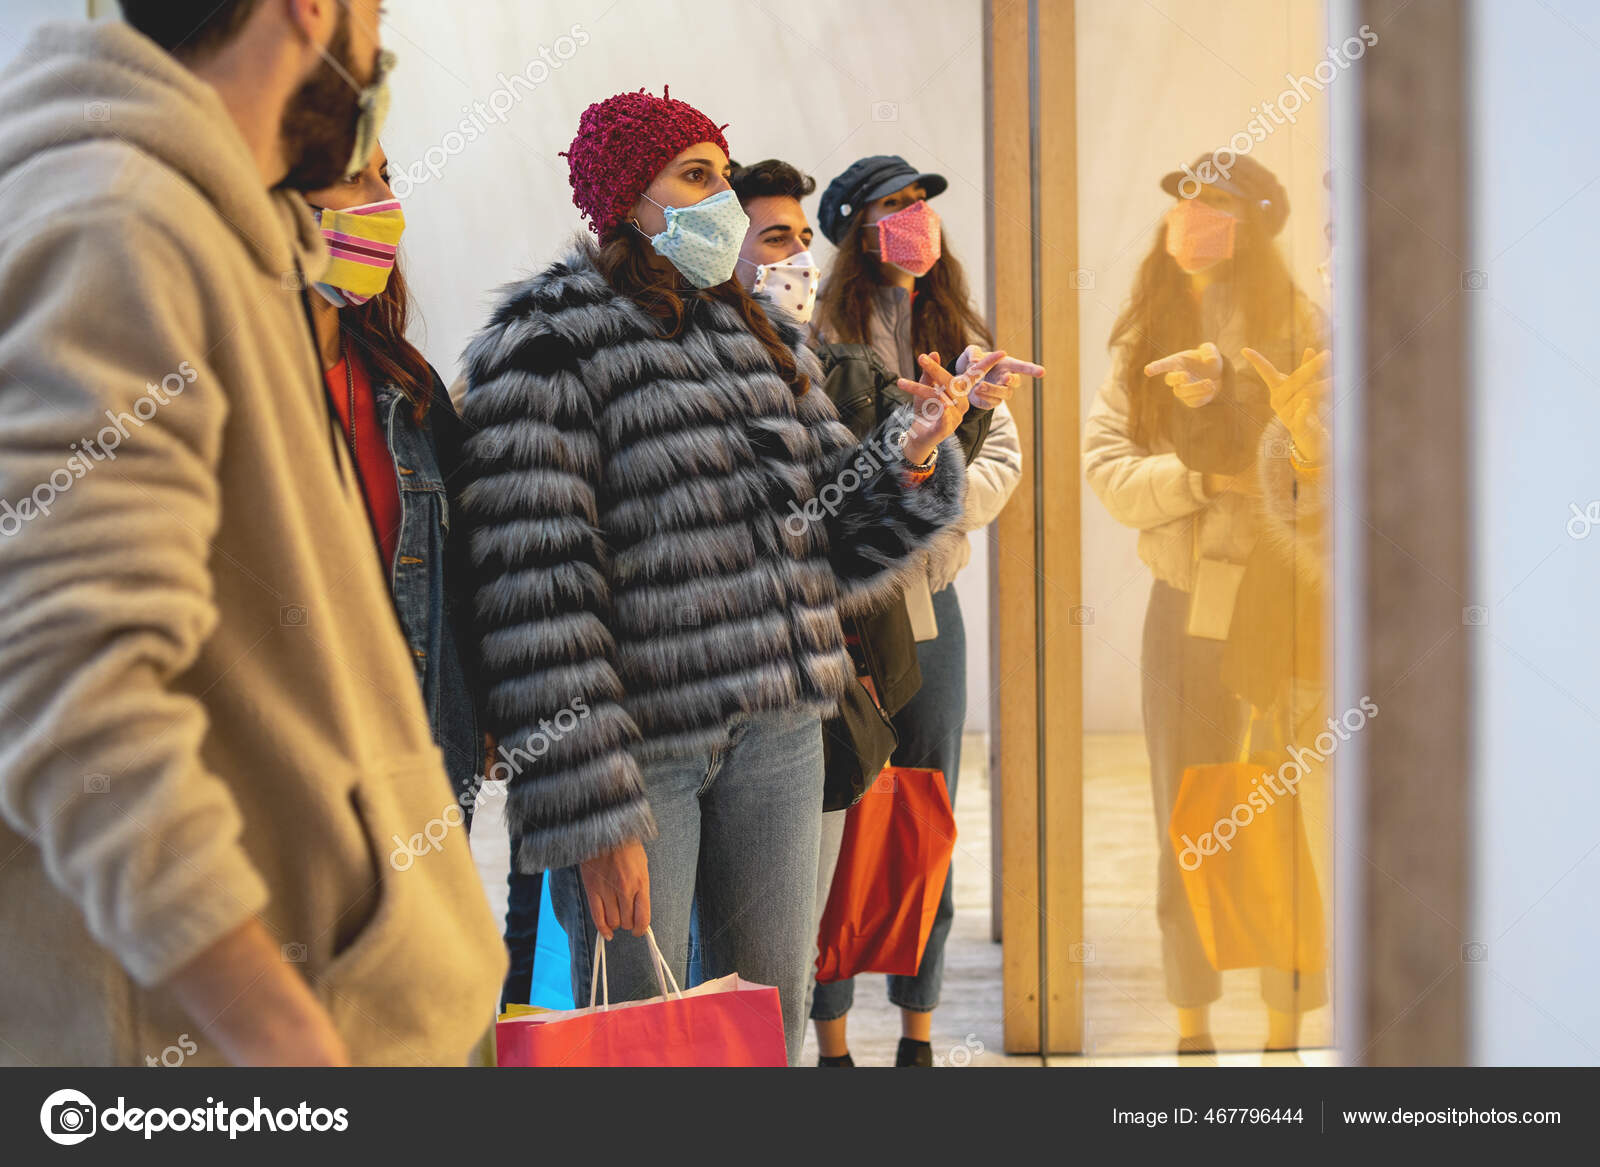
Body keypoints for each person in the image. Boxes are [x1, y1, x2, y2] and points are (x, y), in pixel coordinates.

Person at [0, 2, 506, 1067]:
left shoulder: (211, 229)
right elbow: (67, 687)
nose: (375, 52)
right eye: (371, 13)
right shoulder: (122, 222)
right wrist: (280, 1041)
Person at [461, 88, 980, 1065]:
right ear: (627, 196)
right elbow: (538, 597)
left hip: (779, 730)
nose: (724, 204)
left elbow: (832, 543)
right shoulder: (544, 341)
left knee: (765, 1021)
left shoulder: (761, 339)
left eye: (722, 179)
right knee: (640, 1032)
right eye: (695, 178)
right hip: (639, 755)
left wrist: (912, 456)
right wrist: (593, 806)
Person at [1082, 154, 1324, 1055]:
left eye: (1216, 203)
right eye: (1184, 198)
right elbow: (1106, 465)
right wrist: (1194, 476)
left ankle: (1285, 1032)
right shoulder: (1145, 332)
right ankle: (1192, 1030)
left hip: (1277, 607)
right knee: (1188, 814)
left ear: (1254, 223)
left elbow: (1335, 472)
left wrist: (1275, 448)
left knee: (1279, 815)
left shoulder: (1301, 328)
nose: (1192, 215)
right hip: (1179, 608)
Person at [808, 155, 1030, 1067]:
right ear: (858, 226)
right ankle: (829, 1039)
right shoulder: (821, 334)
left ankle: (919, 1030)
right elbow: (831, 474)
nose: (915, 219)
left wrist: (939, 474)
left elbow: (1001, 467)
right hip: (854, 609)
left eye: (922, 204)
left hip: (934, 604)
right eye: (895, 205)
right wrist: (920, 474)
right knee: (841, 806)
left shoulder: (965, 334)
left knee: (928, 809)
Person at [302, 144, 487, 819]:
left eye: (387, 173)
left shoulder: (407, 390)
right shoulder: (204, 390)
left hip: (422, 766)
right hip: (290, 787)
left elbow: (465, 580)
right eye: (354, 174)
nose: (385, 200)